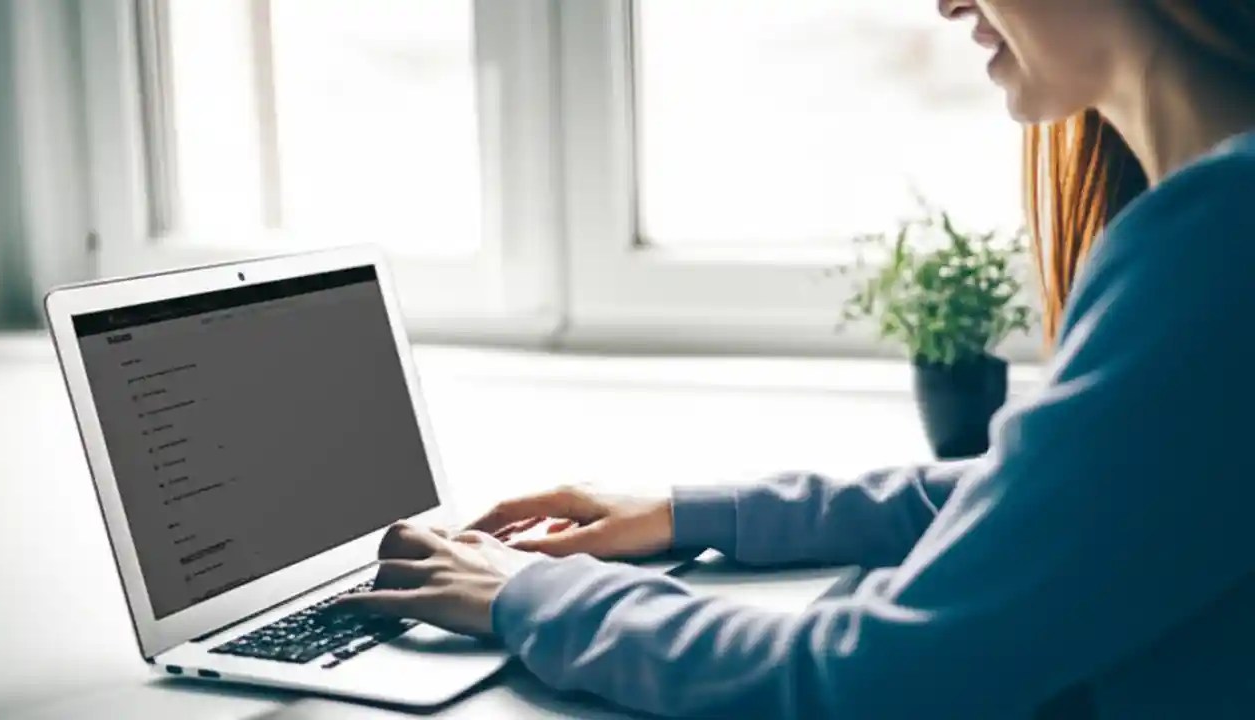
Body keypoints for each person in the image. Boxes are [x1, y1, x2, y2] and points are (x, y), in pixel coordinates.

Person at [336, 2, 1255, 717]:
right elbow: (1042, 499)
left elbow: (873, 681)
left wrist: (532, 592)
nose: (945, 2)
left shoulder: (1218, 239)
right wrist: (692, 512)